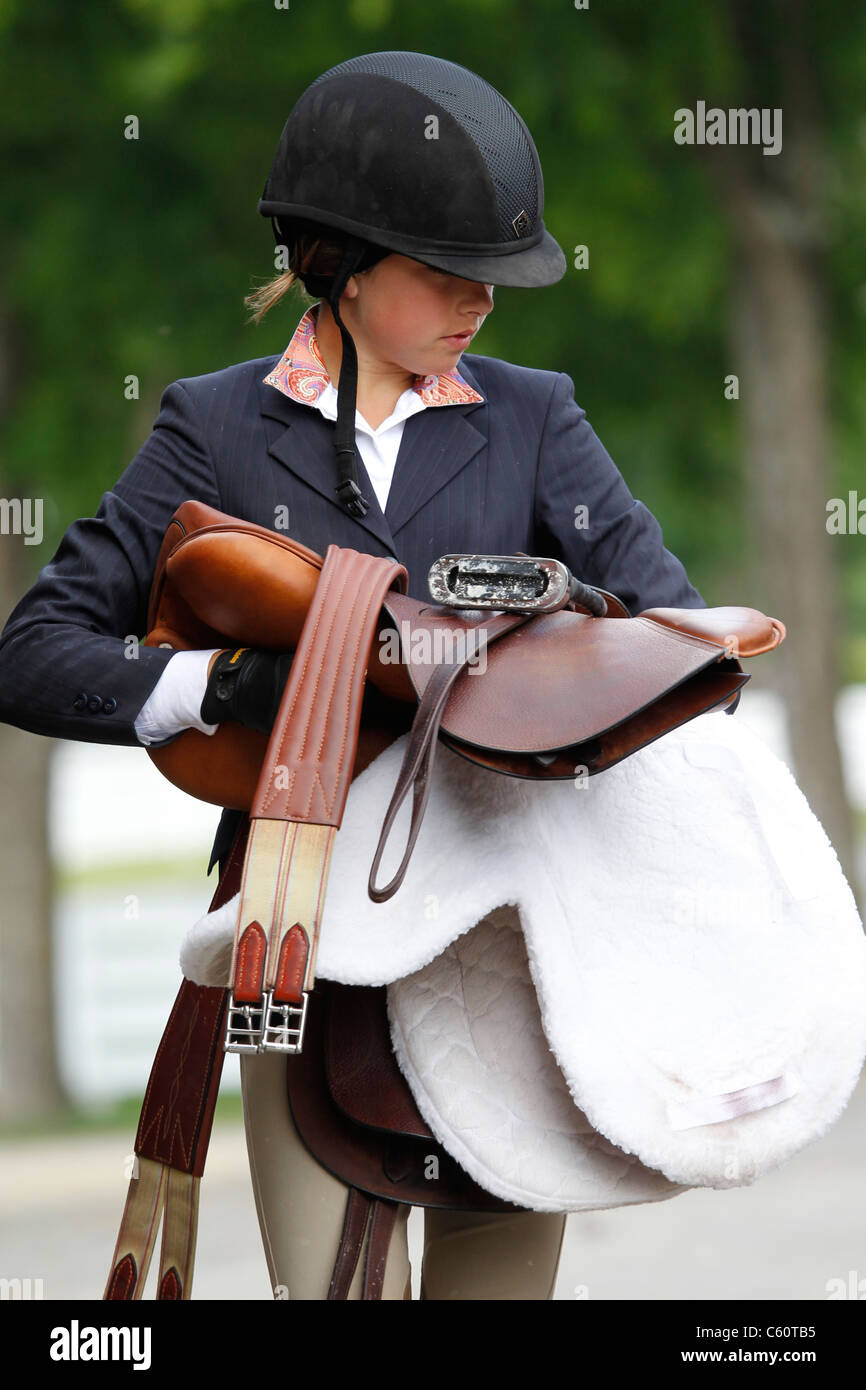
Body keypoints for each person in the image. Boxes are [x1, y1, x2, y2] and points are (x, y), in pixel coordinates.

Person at [0, 51, 705, 1299]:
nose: (480, 299)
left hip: (499, 935)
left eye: (489, 274)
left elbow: (672, 631)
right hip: (301, 936)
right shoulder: (211, 426)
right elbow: (37, 655)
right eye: (446, 271)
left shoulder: (536, 414)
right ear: (336, 264)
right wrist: (225, 690)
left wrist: (548, 644)